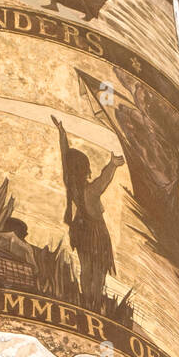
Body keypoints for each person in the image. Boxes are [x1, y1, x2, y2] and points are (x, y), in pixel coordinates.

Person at [52, 114, 123, 312]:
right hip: (96, 235)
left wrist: (62, 134)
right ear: (85, 169)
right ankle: (93, 303)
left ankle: (86, 302)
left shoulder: (71, 186)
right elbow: (103, 180)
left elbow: (65, 157)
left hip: (80, 233)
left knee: (86, 269)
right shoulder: (89, 191)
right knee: (98, 272)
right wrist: (113, 164)